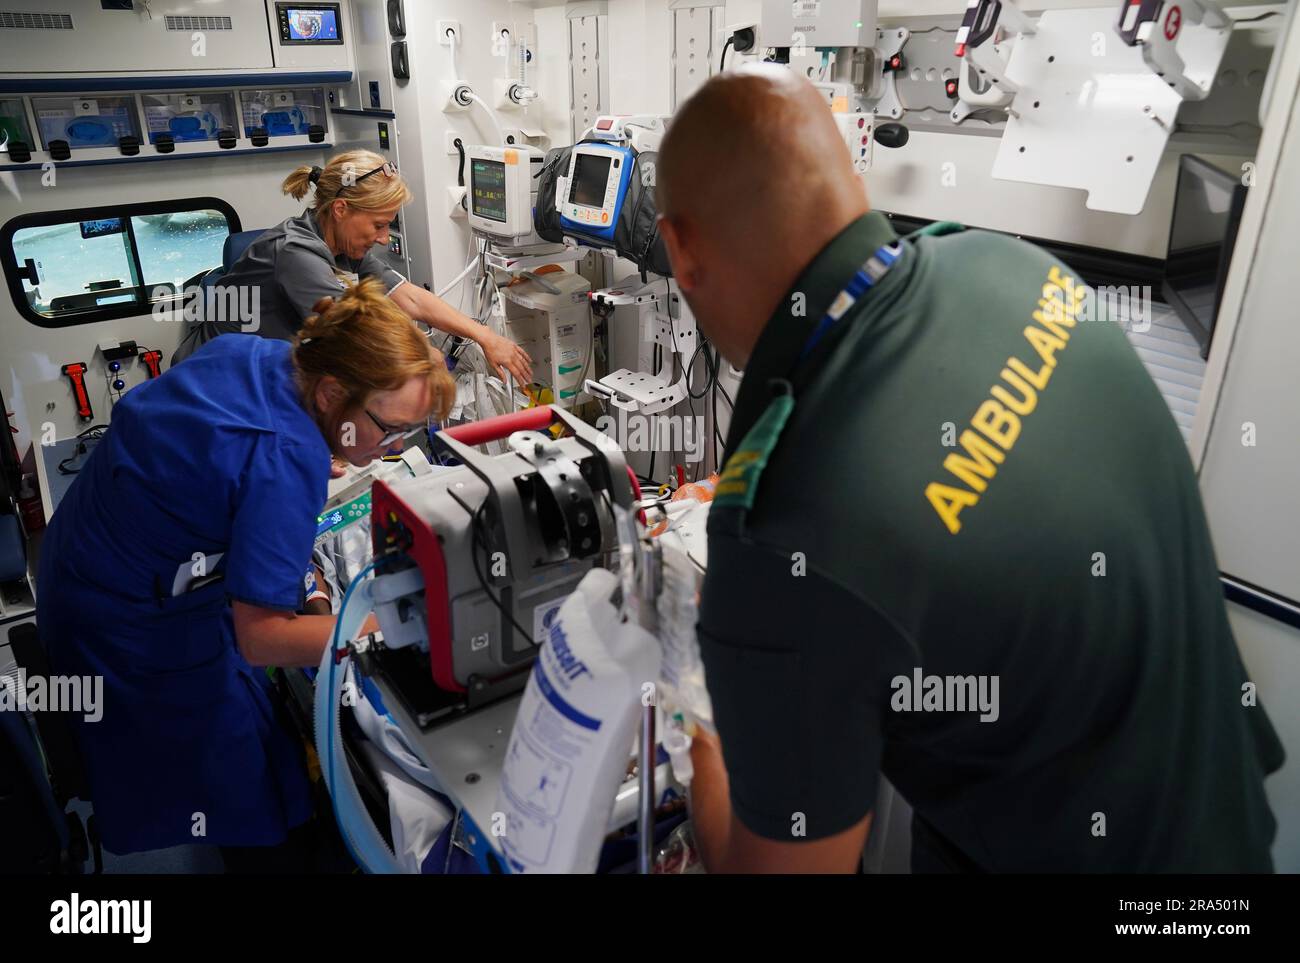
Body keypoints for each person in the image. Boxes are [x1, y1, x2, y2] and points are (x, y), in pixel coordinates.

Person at [655, 65, 1284, 873]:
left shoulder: (783, 525)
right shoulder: (1012, 268)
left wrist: (695, 712)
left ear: (679, 247)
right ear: (847, 168)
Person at [37, 279, 454, 870]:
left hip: (81, 547)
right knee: (246, 783)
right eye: (388, 430)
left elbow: (226, 477)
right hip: (126, 616)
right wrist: (399, 625)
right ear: (333, 391)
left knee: (257, 736)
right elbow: (261, 640)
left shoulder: (260, 354)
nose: (390, 447)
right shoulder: (286, 456)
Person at [173, 149, 531, 388]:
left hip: (263, 371)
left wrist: (486, 337)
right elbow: (359, 331)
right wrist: (426, 355)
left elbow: (411, 299)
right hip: (214, 381)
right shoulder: (296, 253)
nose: (382, 238)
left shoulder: (343, 249)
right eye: (378, 225)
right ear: (341, 209)